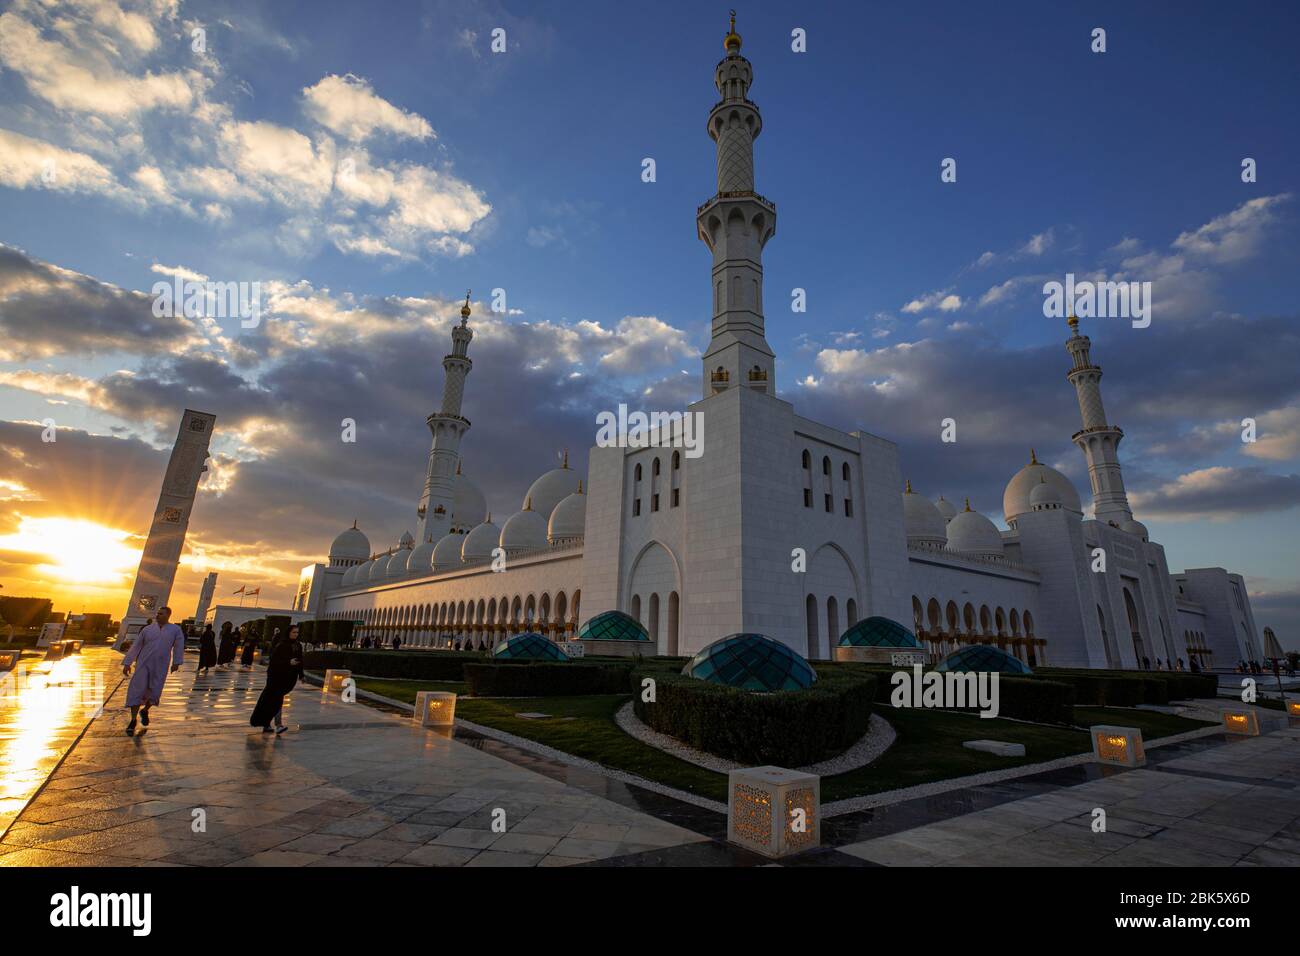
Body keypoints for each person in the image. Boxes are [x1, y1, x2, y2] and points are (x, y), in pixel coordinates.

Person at [120, 606, 185, 735]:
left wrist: (176, 662)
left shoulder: (175, 630)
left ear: (168, 615)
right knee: (137, 690)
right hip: (143, 664)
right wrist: (127, 663)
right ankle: (133, 720)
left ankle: (145, 710)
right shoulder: (147, 630)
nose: (158, 615)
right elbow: (136, 646)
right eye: (157, 613)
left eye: (161, 614)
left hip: (160, 665)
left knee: (155, 691)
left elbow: (179, 646)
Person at [250, 624, 304, 735]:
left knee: (272, 701)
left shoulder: (298, 645)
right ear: (288, 632)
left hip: (288, 678)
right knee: (276, 700)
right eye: (294, 632)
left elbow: (300, 660)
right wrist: (288, 662)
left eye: (297, 632)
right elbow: (274, 662)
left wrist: (301, 674)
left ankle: (266, 724)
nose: (295, 634)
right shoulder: (282, 645)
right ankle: (278, 725)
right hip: (276, 677)